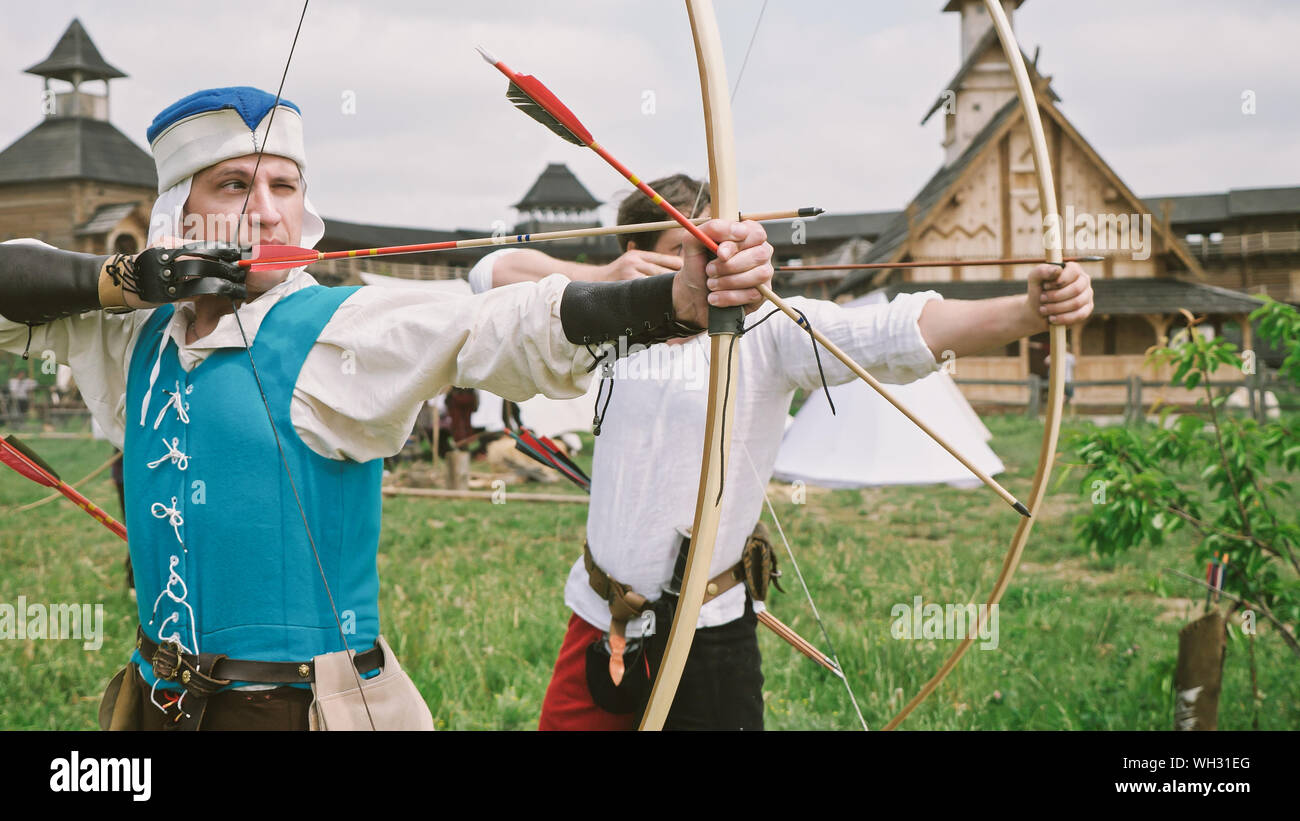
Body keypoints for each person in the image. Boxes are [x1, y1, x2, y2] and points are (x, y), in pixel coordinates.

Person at [0, 89, 774, 731]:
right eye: (233, 185)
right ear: (179, 210)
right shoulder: (133, 338)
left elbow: (498, 324)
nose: (265, 211)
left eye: (284, 186)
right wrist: (123, 281)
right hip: (155, 704)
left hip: (299, 710)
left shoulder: (339, 328)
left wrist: (673, 296)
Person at [468, 173, 1095, 730]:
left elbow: (899, 331)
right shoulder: (605, 322)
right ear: (638, 256)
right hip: (602, 618)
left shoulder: (769, 328)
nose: (708, 263)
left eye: (720, 247)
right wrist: (603, 281)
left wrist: (1029, 309)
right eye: (687, 249)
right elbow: (489, 278)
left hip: (708, 633)